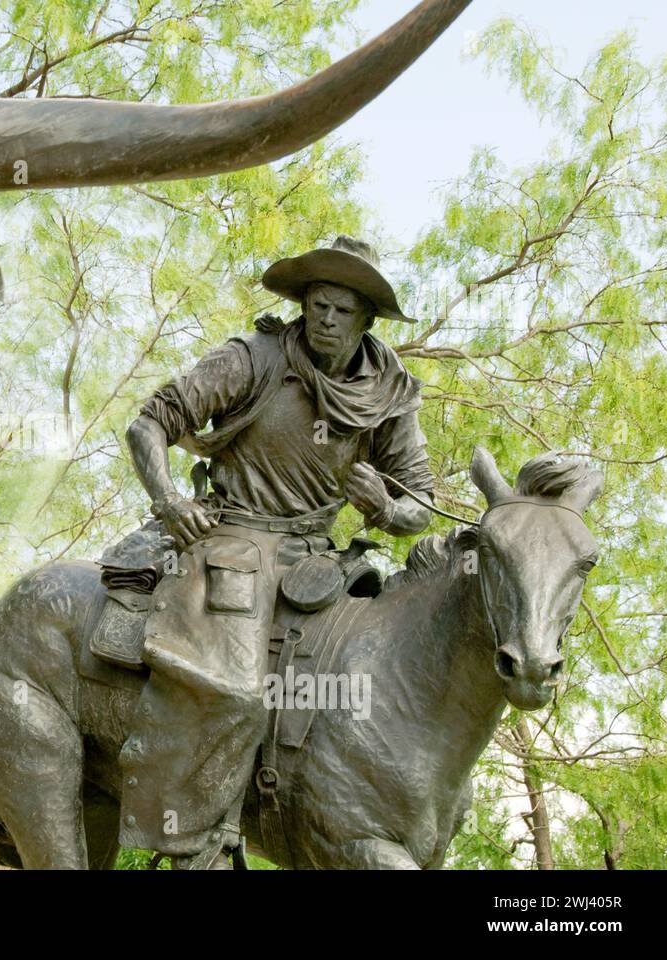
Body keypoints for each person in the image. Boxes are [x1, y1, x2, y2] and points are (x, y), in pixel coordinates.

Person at [117, 235, 435, 868]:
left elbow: (420, 503)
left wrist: (385, 506)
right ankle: (199, 842)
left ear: (367, 319)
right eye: (318, 303)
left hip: (320, 559)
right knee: (237, 691)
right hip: (233, 538)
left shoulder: (390, 392)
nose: (326, 318)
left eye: (343, 310)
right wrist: (168, 500)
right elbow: (148, 423)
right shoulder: (255, 357)